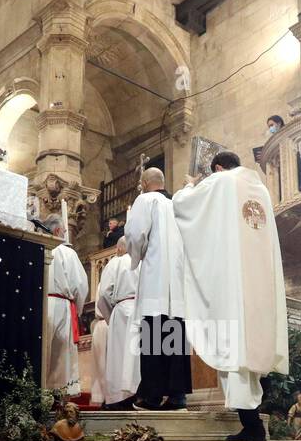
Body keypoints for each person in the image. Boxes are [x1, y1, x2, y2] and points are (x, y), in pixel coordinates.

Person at [173, 150, 288, 441]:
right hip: (260, 285)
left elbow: (183, 205)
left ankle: (252, 428)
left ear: (218, 167)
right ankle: (252, 426)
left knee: (235, 354)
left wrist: (189, 184)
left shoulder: (222, 181)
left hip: (235, 285)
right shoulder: (260, 188)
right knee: (249, 356)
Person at [126, 166, 191, 410]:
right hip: (178, 280)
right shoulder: (178, 203)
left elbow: (135, 235)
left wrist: (137, 256)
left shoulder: (145, 200)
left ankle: (151, 397)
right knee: (174, 333)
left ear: (144, 183)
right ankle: (177, 397)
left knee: (154, 334)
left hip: (156, 278)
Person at [44, 219, 89, 397]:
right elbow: (80, 285)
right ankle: (58, 393)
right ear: (56, 232)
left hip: (42, 304)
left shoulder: (39, 247)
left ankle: (40, 390)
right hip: (62, 305)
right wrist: (77, 309)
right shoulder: (67, 253)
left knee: (44, 351)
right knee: (62, 354)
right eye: (63, 231)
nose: (64, 235)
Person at [96, 237, 141, 409]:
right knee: (135, 357)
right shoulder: (142, 262)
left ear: (120, 248)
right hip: (140, 310)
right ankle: (137, 395)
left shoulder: (115, 263)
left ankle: (117, 399)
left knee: (118, 357)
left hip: (121, 310)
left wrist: (111, 317)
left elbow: (105, 294)